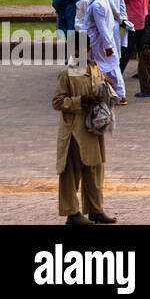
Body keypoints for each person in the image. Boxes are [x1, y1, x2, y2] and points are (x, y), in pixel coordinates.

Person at [53, 55, 116, 225]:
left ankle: (96, 210)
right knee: (71, 172)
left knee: (94, 170)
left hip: (93, 129)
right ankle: (72, 214)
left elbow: (104, 90)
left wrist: (107, 87)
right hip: (74, 130)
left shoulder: (96, 69)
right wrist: (81, 100)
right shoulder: (67, 74)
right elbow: (58, 102)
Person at [84, 0, 124, 100]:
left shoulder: (97, 5)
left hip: (98, 41)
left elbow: (102, 27)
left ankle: (117, 94)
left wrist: (107, 45)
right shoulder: (102, 0)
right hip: (99, 40)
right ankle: (116, 93)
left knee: (107, 67)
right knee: (111, 66)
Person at [95, 0, 130, 95]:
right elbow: (121, 3)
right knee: (113, 57)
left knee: (109, 58)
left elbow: (113, 6)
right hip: (113, 24)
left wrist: (121, 19)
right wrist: (123, 18)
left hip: (109, 25)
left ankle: (114, 89)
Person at [120, 0, 150, 77]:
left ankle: (118, 74)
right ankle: (145, 71)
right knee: (141, 48)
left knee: (126, 50)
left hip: (133, 21)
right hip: (143, 18)